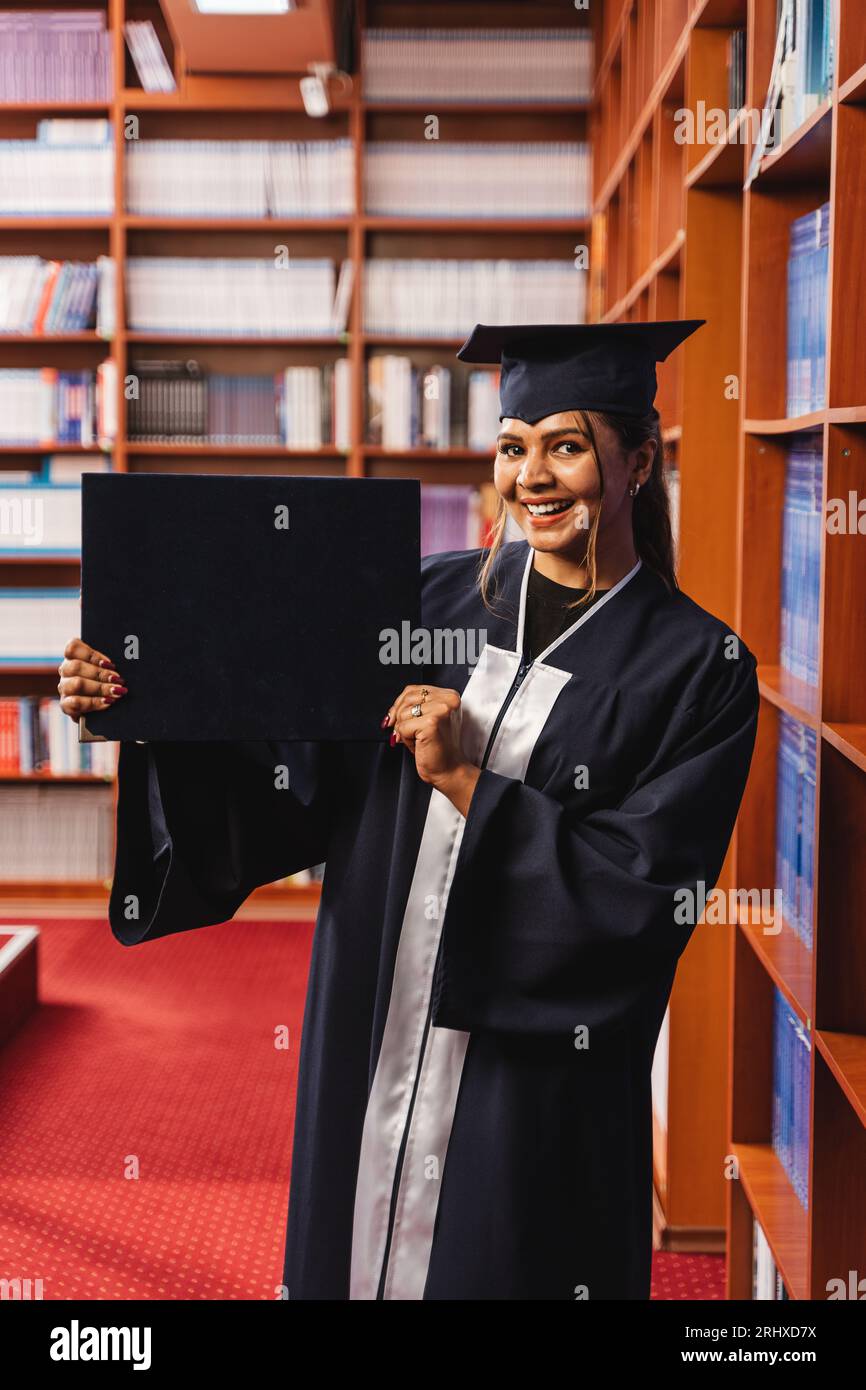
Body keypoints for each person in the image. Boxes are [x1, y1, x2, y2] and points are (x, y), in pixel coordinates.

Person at [58, 319, 760, 1301]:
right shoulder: (423, 604)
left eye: (565, 445)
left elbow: (645, 896)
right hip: (376, 1007)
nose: (533, 477)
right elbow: (291, 775)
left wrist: (470, 781)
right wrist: (146, 711)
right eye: (513, 448)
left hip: (534, 1074)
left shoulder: (697, 670)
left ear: (637, 460)